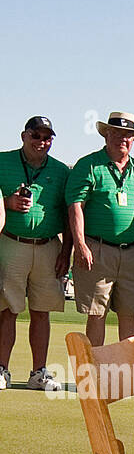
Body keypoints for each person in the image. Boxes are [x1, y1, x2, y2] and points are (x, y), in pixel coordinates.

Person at [66, 113, 134, 347]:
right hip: (97, 249)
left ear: (133, 139)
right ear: (106, 134)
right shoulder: (89, 165)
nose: (122, 139)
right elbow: (76, 206)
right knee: (97, 313)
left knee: (129, 313)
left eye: (128, 135)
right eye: (116, 133)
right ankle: (95, 377)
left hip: (132, 251)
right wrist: (81, 244)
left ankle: (128, 378)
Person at [0, 117, 71, 391]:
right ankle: (2, 370)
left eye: (47, 137)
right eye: (36, 136)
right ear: (23, 136)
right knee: (7, 309)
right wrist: (8, 202)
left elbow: (67, 213)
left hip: (48, 246)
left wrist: (66, 250)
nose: (42, 142)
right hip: (11, 242)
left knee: (42, 311)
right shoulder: (3, 161)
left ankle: (38, 373)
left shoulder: (61, 171)